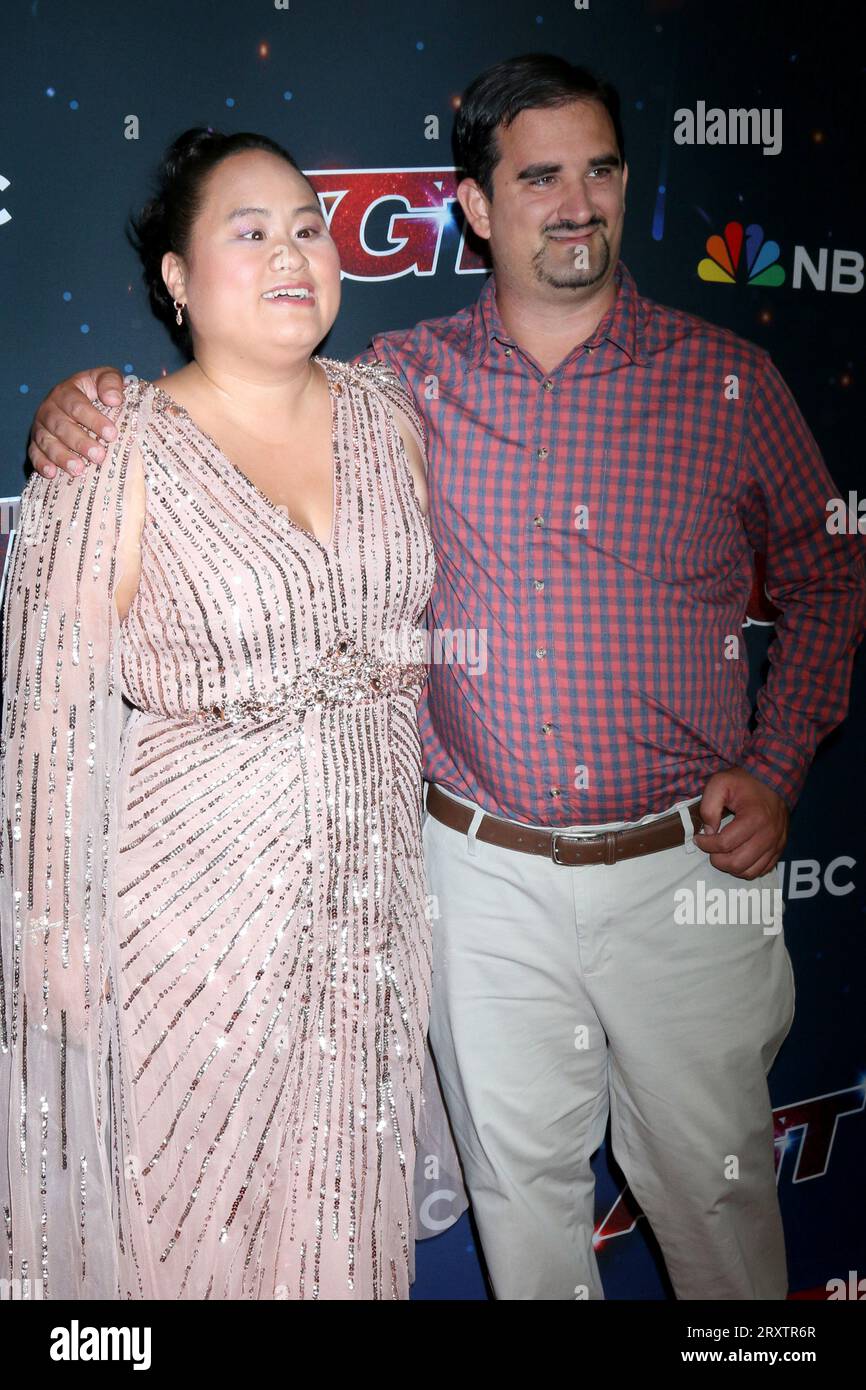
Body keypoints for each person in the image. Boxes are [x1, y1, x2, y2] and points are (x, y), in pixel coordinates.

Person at [26, 54, 866, 1301]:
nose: (572, 202)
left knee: (725, 1214)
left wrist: (780, 758)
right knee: (522, 1225)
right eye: (536, 177)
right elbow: (54, 717)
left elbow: (828, 569)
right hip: (466, 886)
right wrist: (73, 407)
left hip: (679, 869)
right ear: (473, 206)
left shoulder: (722, 381)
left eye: (597, 170)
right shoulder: (407, 382)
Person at [1, 126, 468, 1301]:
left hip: (369, 922)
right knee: (191, 1241)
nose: (291, 254)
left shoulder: (388, 417)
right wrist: (57, 960)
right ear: (174, 277)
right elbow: (43, 730)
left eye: (309, 227)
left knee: (338, 1237)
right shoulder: (109, 449)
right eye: (248, 230)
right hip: (187, 939)